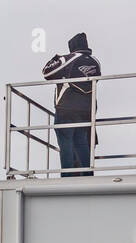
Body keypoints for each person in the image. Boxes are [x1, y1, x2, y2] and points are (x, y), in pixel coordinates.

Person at [41, 33, 101, 177]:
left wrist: (56, 58)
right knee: (81, 142)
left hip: (65, 109)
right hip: (86, 110)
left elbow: (46, 73)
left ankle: (66, 176)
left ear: (72, 47)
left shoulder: (68, 59)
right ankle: (87, 175)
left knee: (65, 143)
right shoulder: (95, 61)